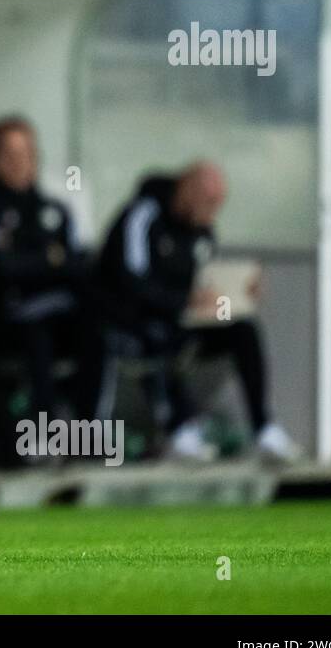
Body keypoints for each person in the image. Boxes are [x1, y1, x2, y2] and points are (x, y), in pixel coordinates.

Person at [92, 162, 299, 462]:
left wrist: (240, 291)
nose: (214, 211)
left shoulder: (202, 231)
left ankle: (264, 428)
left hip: (180, 320)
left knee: (243, 330)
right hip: (129, 321)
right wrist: (182, 301)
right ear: (187, 191)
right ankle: (178, 428)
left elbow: (205, 282)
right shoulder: (142, 215)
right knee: (159, 330)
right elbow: (130, 282)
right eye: (210, 202)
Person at [0, 117, 95, 461]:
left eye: (27, 153)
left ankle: (87, 437)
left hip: (60, 313)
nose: (20, 162)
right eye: (10, 154)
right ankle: (40, 436)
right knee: (37, 337)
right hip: (2, 318)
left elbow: (77, 268)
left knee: (99, 333)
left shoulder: (56, 210)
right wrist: (49, 259)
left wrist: (30, 257)